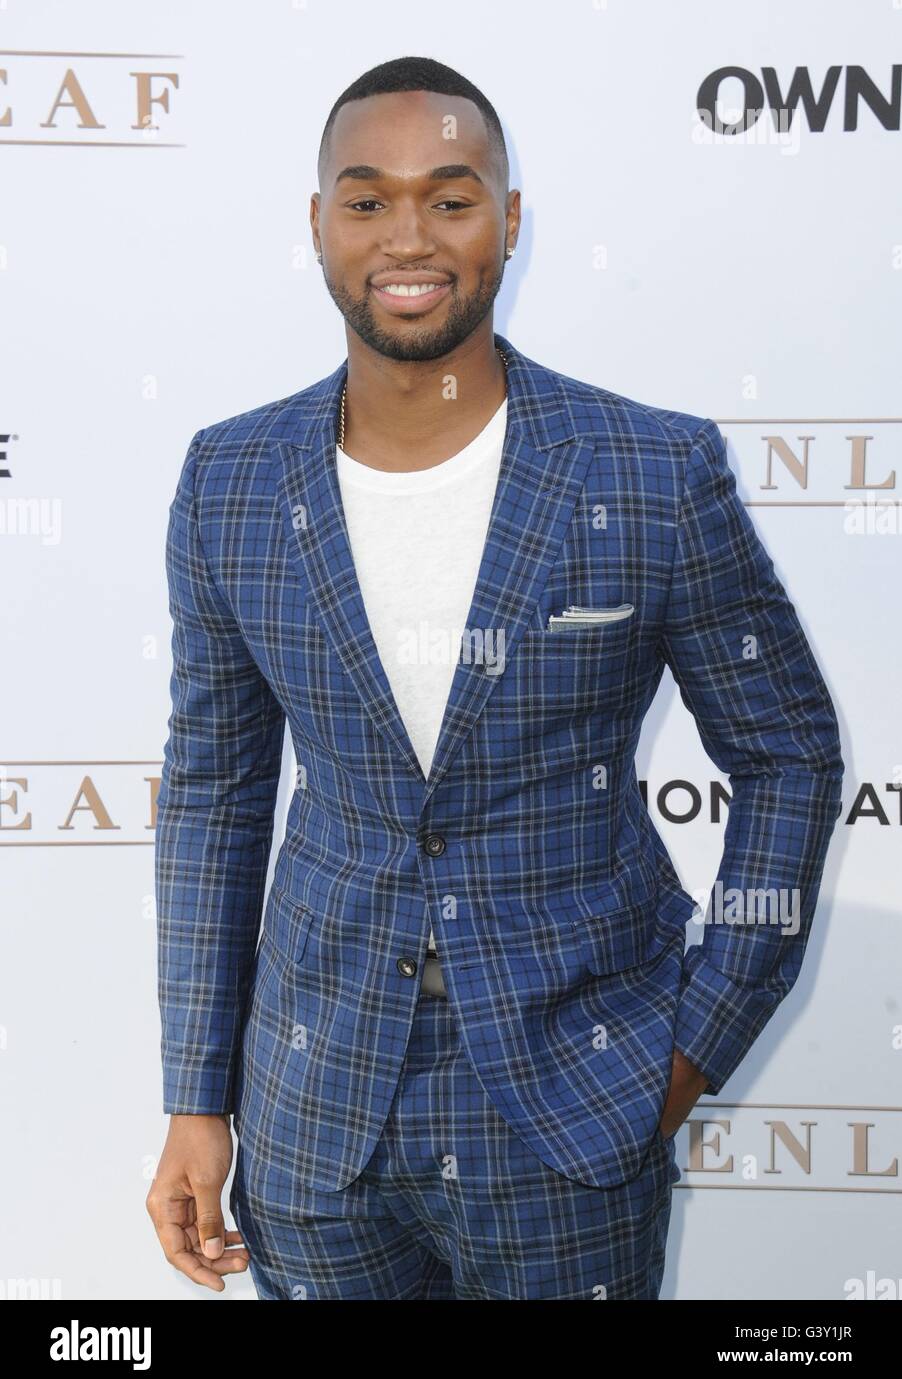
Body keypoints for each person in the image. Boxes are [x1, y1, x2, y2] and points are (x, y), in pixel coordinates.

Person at [146, 56, 844, 1299]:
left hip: (578, 1101)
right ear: (316, 226)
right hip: (314, 1113)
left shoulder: (648, 470)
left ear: (509, 221)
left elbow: (786, 755)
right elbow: (212, 799)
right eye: (365, 201)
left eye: (449, 196)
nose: (406, 235)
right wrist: (197, 1094)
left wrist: (691, 1046)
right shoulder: (231, 482)